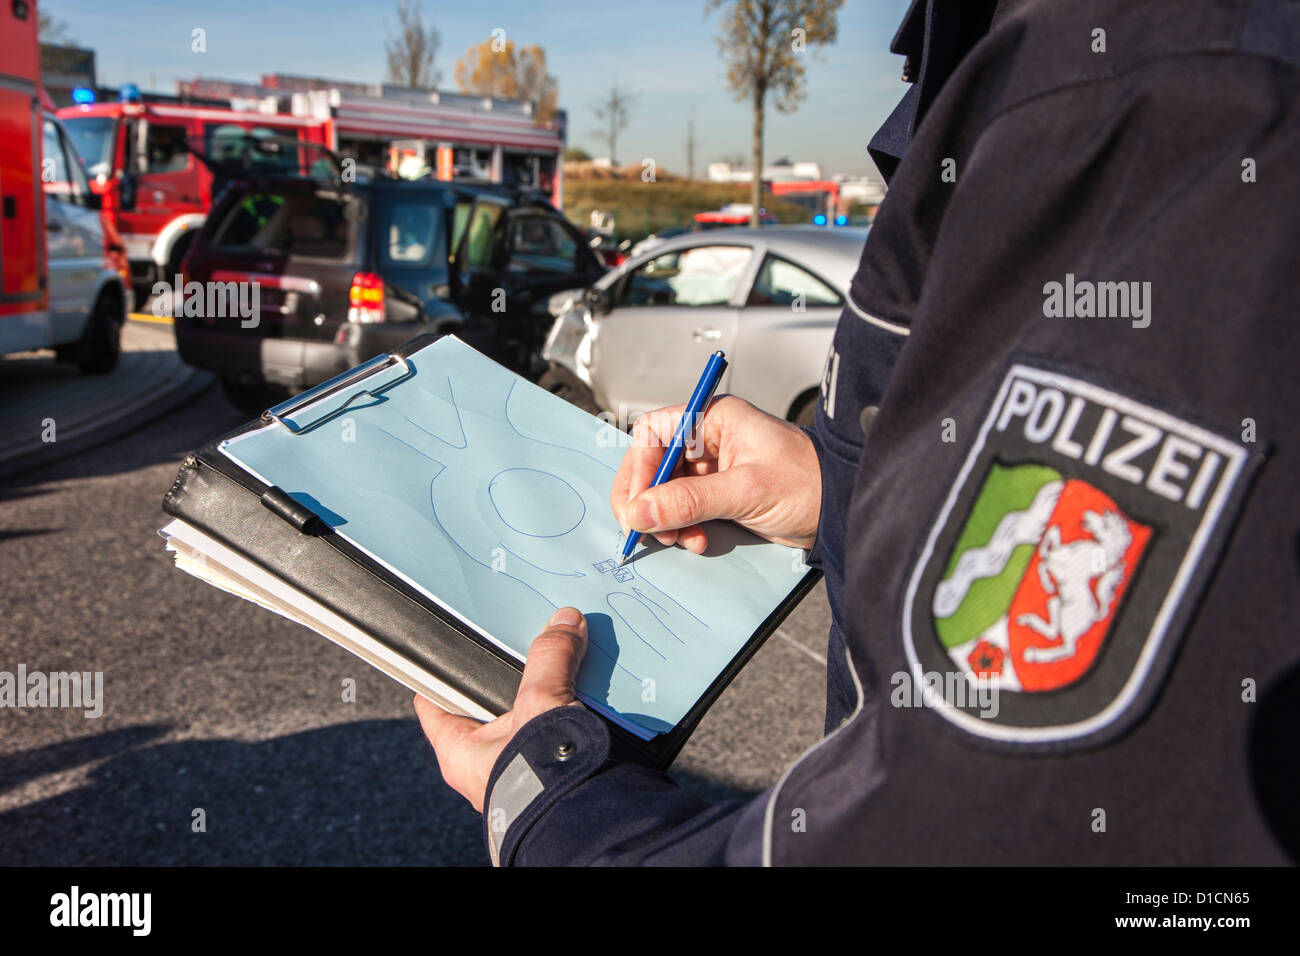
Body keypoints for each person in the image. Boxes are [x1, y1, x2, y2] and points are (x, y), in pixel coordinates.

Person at [415, 0, 1299, 865]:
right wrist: (834, 491)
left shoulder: (1175, 95)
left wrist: (563, 812)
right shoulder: (1028, 52)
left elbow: (975, 819)